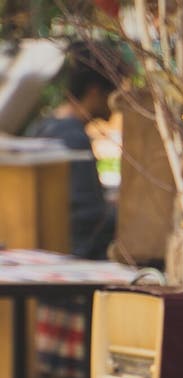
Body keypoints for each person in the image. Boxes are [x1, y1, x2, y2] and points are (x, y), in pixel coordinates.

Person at [32, 40, 125, 260]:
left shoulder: (46, 125)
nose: (115, 102)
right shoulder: (72, 137)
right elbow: (87, 218)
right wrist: (124, 212)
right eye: (111, 92)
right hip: (73, 256)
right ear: (94, 91)